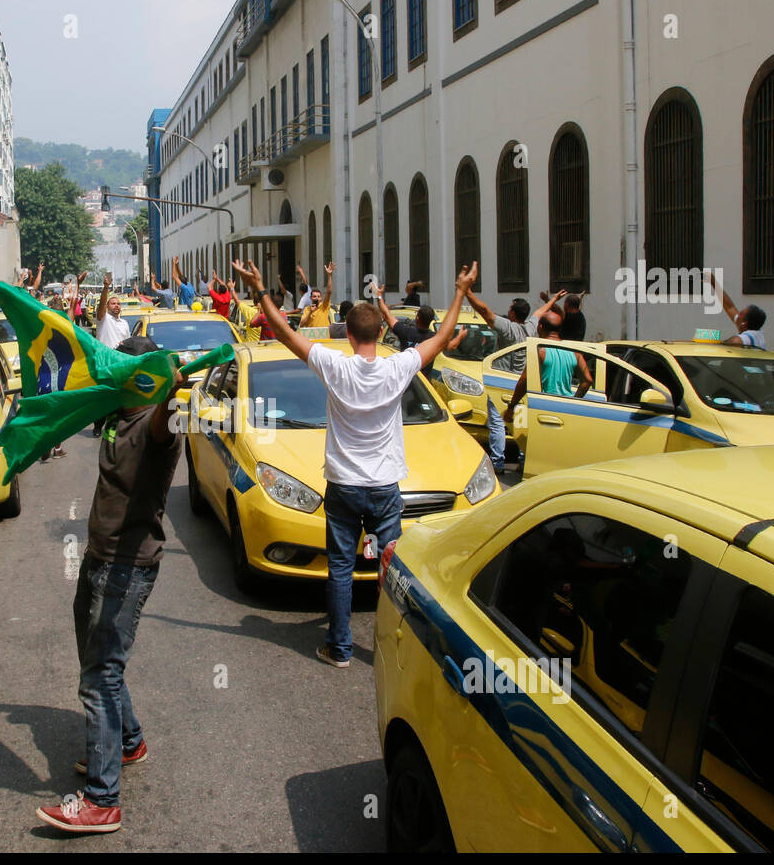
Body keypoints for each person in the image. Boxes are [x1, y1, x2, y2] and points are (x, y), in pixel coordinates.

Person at [231, 256, 474, 667]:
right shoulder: (398, 367)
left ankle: (339, 648)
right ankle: (389, 649)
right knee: (390, 567)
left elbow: (286, 335)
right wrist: (460, 291)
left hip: (344, 487)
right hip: (384, 488)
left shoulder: (334, 366)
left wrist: (258, 290)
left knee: (341, 569)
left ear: (349, 335)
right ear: (381, 332)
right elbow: (443, 335)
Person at [35, 335, 185, 835]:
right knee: (97, 664)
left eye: (124, 370)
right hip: (98, 559)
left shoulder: (156, 422)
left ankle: (102, 801)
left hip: (127, 567)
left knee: (99, 677)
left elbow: (167, 424)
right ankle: (129, 742)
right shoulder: (117, 415)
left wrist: (169, 394)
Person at [464, 289, 562, 473]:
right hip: (522, 384)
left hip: (501, 383)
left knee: (497, 423)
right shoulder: (532, 327)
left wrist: (467, 292)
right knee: (522, 423)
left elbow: (484, 311)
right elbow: (540, 312)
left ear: (512, 313)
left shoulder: (508, 327)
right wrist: (555, 299)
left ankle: (498, 463)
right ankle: (523, 461)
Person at [503, 308, 594, 424]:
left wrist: (512, 406)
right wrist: (574, 400)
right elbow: (588, 380)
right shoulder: (574, 352)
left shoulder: (540, 351)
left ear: (540, 327)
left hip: (545, 407)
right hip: (567, 409)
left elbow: (525, 379)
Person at [708, 273, 768, 349]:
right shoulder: (757, 334)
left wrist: (718, 343)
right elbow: (730, 307)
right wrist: (713, 283)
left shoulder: (746, 339)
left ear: (744, 324)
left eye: (740, 314)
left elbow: (736, 341)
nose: (737, 315)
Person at [94, 272, 130, 349]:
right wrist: (106, 287)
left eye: (118, 304)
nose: (116, 305)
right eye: (113, 303)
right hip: (105, 358)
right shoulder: (104, 319)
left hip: (119, 359)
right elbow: (102, 304)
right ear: (107, 306)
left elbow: (128, 343)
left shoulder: (124, 323)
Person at [298, 262, 336, 329]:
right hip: (312, 338)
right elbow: (302, 324)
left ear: (321, 298)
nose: (316, 298)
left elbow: (329, 292)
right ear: (311, 298)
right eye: (314, 296)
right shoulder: (307, 309)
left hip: (324, 337)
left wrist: (329, 275)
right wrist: (310, 312)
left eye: (318, 296)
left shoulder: (324, 306)